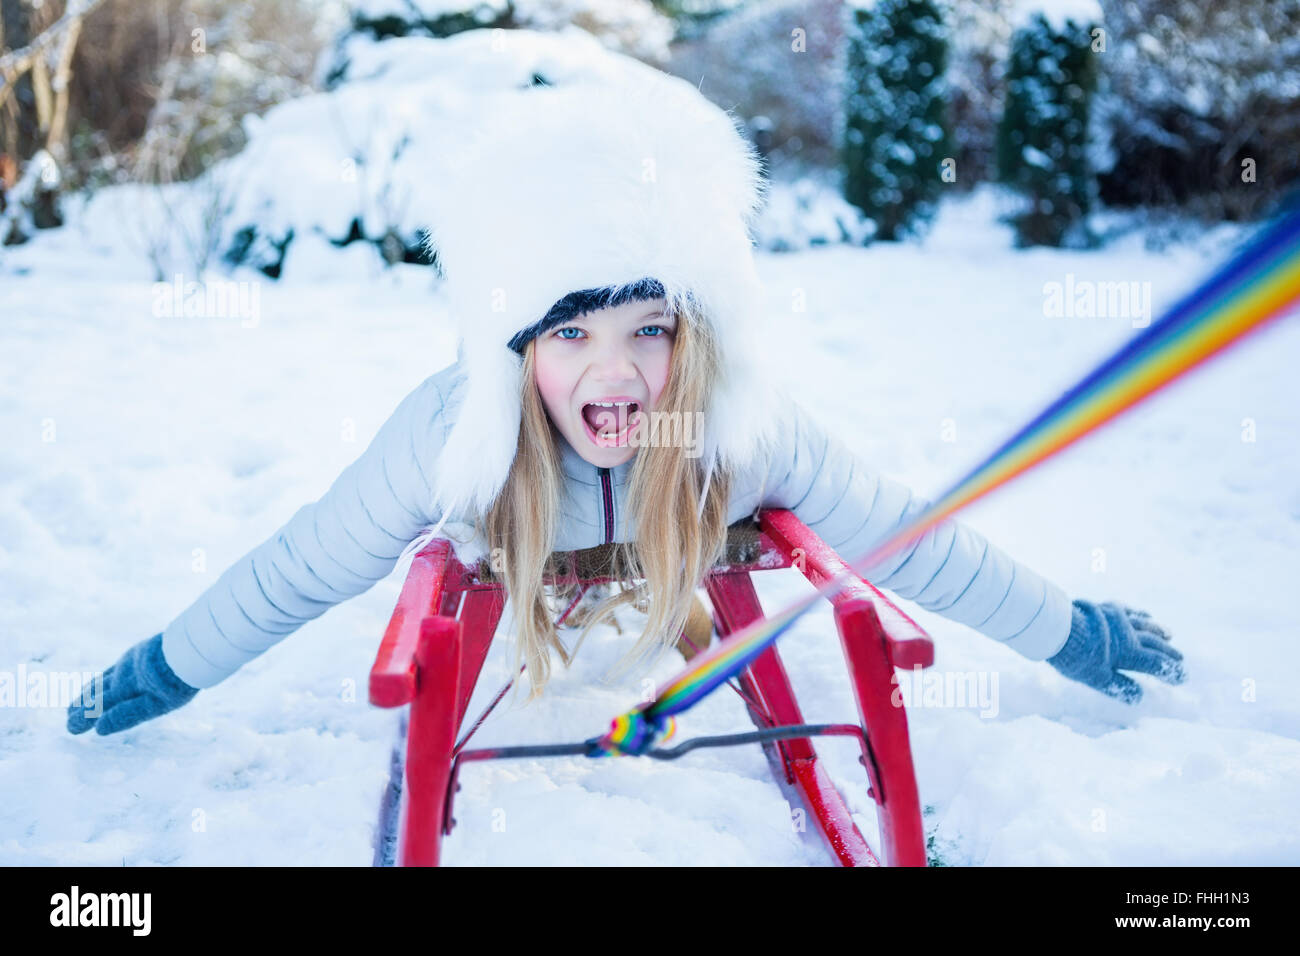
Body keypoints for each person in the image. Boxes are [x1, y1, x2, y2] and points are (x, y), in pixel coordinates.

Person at [67, 73, 1185, 738]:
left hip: (669, 550)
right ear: (518, 350)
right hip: (533, 575)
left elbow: (907, 538)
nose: (615, 371)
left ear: (691, 334)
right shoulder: (457, 437)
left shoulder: (738, 432)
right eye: (570, 333)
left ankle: (675, 609)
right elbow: (301, 563)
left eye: (648, 329)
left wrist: (1072, 634)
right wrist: (164, 668)